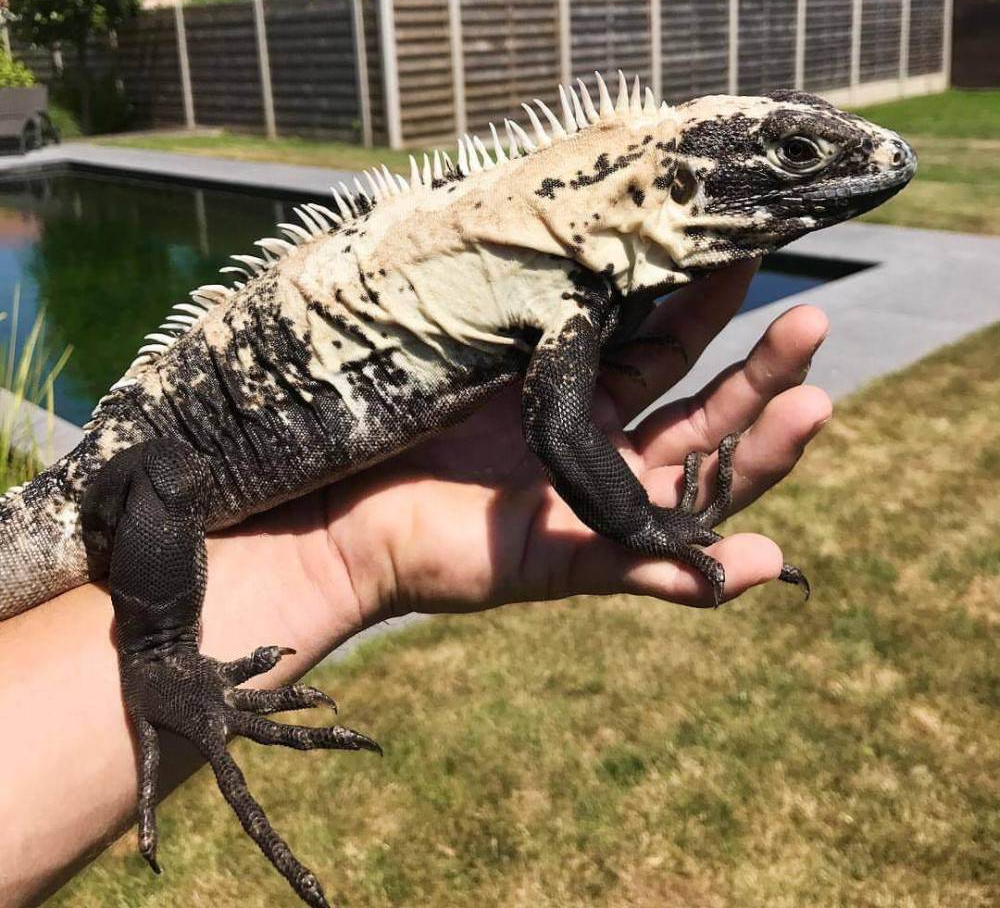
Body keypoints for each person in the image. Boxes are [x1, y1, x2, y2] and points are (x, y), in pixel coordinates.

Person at [0, 260, 831, 906]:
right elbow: (153, 478)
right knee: (165, 475)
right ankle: (155, 660)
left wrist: (354, 557)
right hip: (107, 490)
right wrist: (159, 656)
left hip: (156, 495)